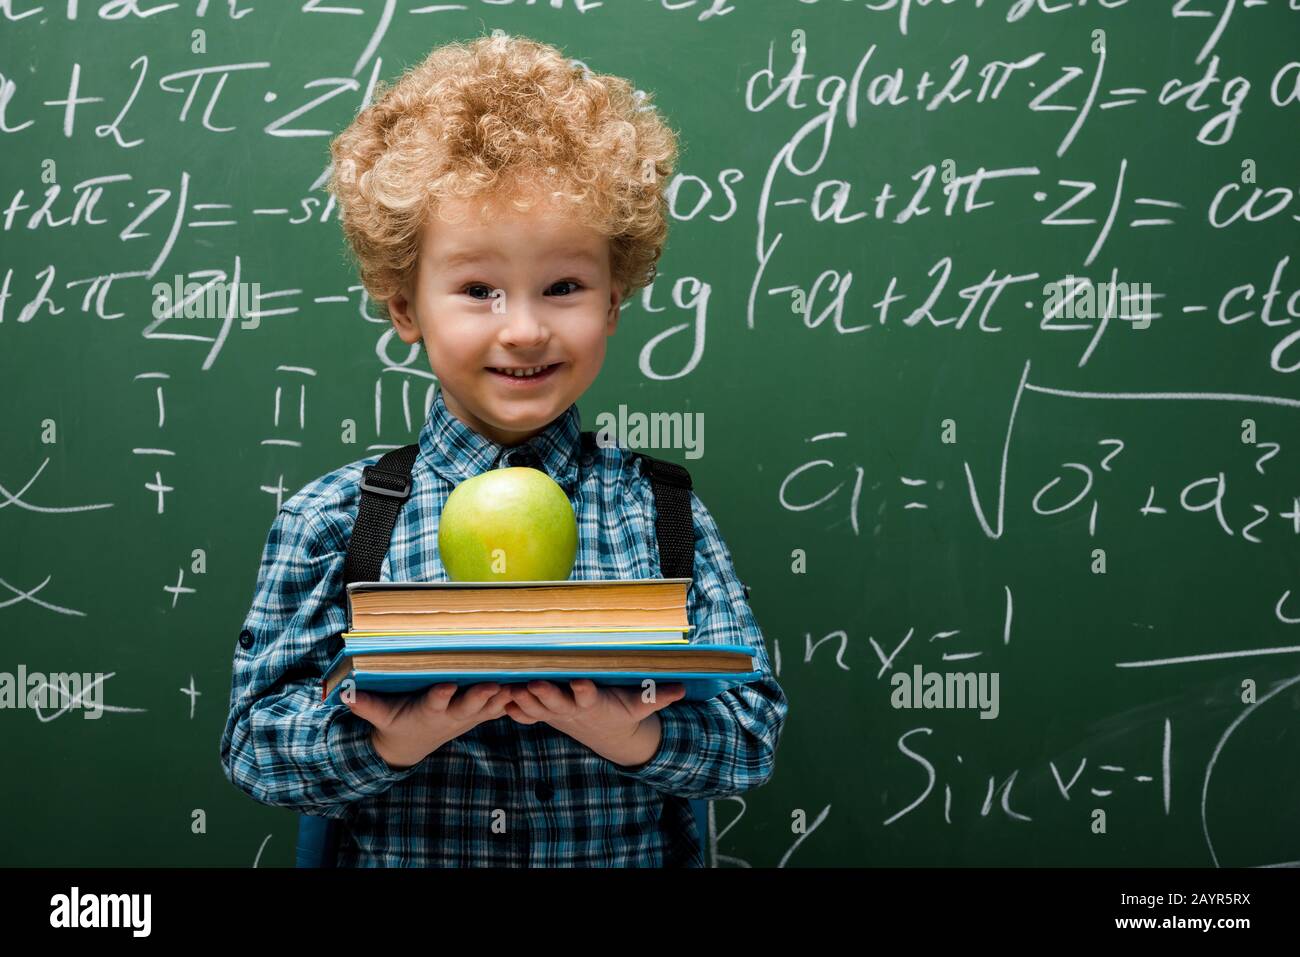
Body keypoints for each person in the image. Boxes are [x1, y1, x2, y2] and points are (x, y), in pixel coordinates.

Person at [219, 33, 788, 867]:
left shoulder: (661, 515)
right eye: (478, 289)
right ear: (405, 307)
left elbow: (752, 735)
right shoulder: (335, 523)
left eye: (564, 286)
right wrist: (386, 743)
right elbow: (253, 747)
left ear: (615, 300)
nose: (523, 328)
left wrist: (636, 736)